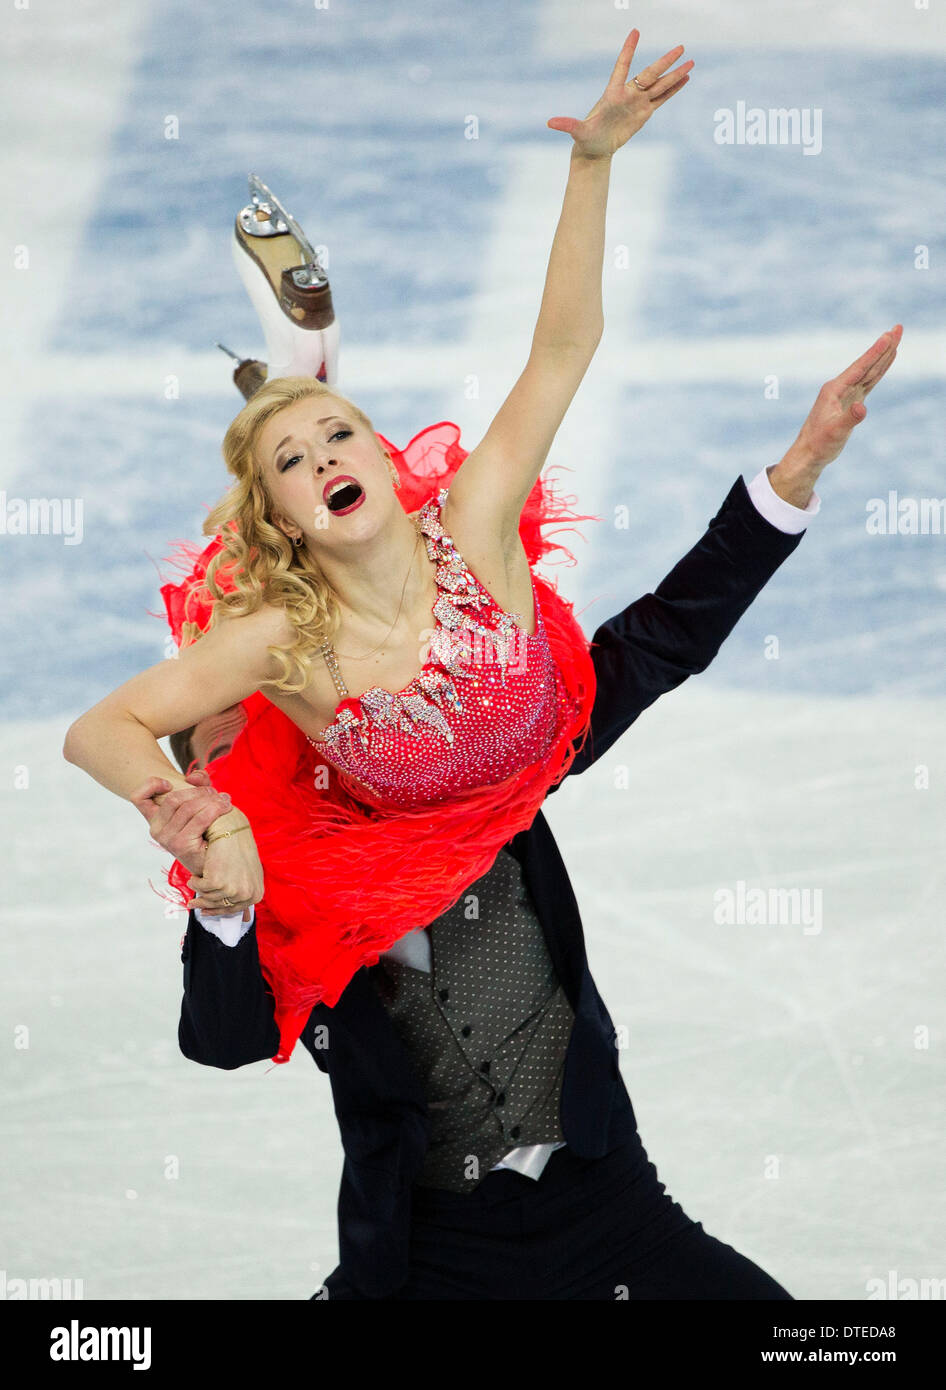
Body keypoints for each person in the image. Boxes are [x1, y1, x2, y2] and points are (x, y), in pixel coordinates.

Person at [63, 30, 902, 1299]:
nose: (322, 461)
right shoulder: (281, 739)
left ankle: (280, 394)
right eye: (293, 459)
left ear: (385, 464)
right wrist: (201, 835)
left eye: (336, 438)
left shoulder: (480, 611)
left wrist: (791, 476)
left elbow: (570, 384)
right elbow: (209, 999)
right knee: (241, 676)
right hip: (428, 1263)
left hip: (615, 1220)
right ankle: (277, 400)